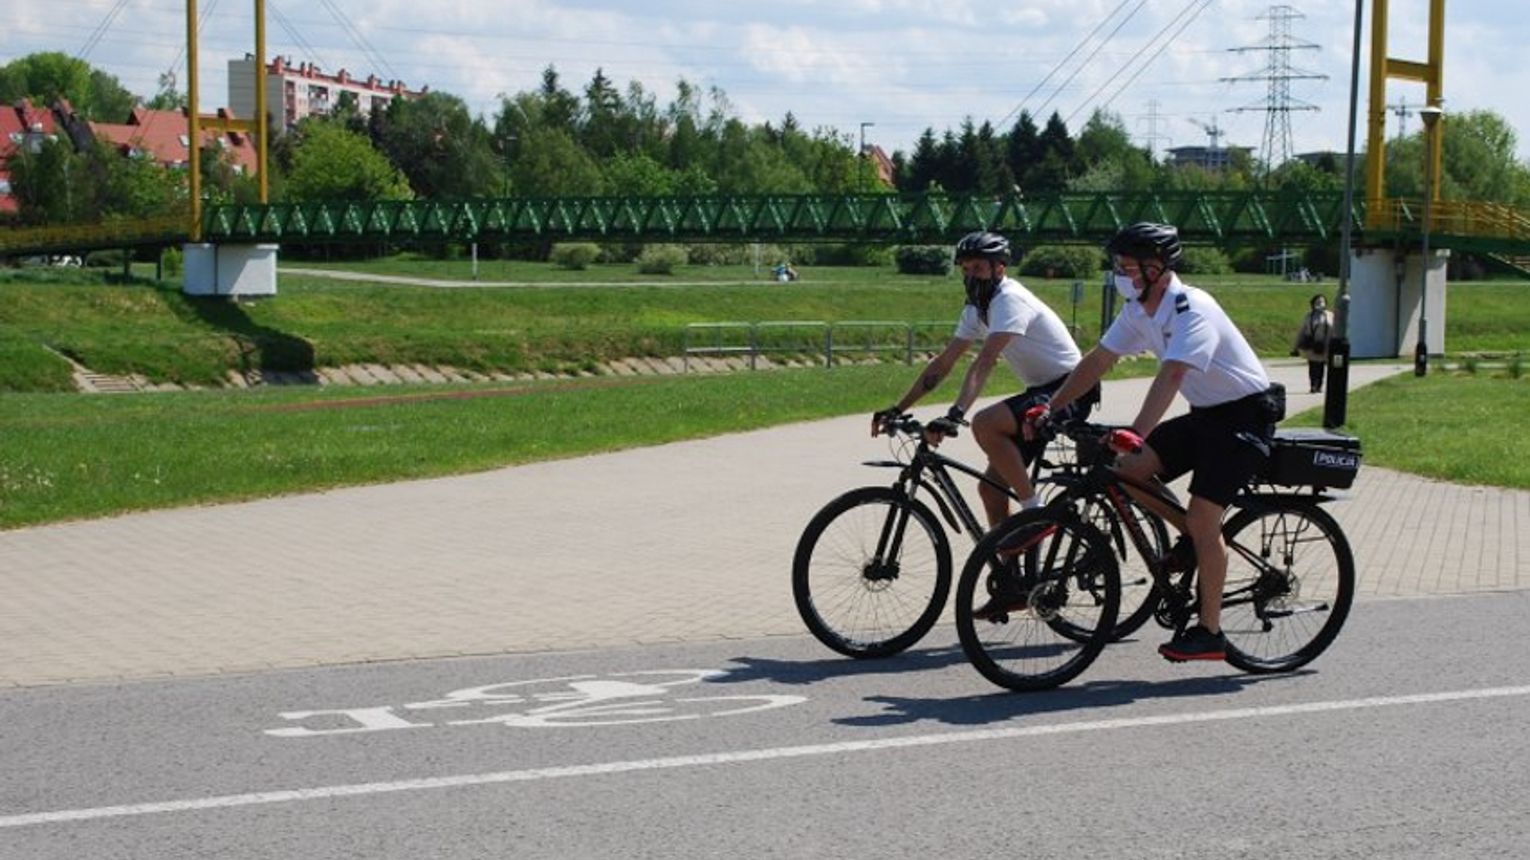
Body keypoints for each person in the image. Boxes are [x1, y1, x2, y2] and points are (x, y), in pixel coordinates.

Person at [1028, 222, 1281, 662]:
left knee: (1204, 519)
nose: (1120, 275)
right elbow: (1098, 360)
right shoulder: (1139, 311)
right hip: (1206, 416)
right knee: (1126, 471)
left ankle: (1210, 631)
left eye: (1127, 267)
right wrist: (1052, 407)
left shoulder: (1192, 309)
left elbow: (1173, 374)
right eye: (1118, 267)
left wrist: (1137, 432)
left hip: (1245, 418)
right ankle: (1189, 537)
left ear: (1156, 269)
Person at [871, 230, 1097, 531]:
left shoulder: (1010, 299)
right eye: (965, 269)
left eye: (977, 268)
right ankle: (1008, 561)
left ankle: (1036, 514)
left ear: (999, 268)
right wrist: (898, 408)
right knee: (991, 491)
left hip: (1071, 388)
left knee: (986, 423)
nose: (970, 276)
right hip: (1041, 390)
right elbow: (944, 362)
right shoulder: (978, 308)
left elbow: (985, 361)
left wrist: (956, 414)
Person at [1291, 293, 1333, 394]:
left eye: (1322, 301)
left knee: (1321, 365)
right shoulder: (1309, 316)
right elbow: (1302, 330)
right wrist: (1296, 346)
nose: (1320, 304)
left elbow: (1333, 328)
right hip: (1311, 344)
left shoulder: (1329, 315)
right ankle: (1313, 385)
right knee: (1313, 365)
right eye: (1317, 302)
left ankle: (1319, 385)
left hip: (1324, 344)